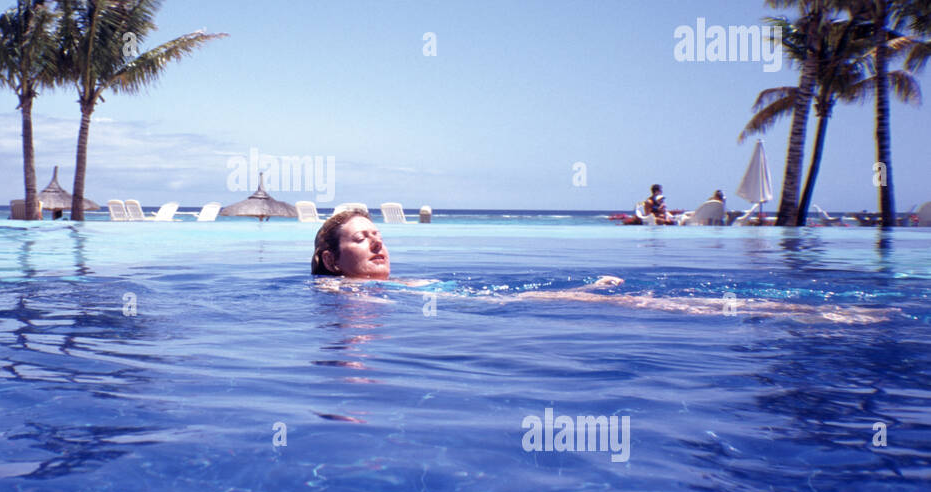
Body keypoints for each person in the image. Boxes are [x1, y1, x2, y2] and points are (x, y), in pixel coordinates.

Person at [310, 209, 892, 322]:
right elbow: (349, 332)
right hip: (501, 308)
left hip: (500, 301)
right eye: (363, 241)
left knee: (625, 300)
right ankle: (815, 316)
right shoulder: (345, 297)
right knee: (637, 303)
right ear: (335, 261)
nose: (379, 245)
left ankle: (808, 313)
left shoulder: (387, 286)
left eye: (379, 235)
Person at [311, 210, 390, 279]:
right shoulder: (333, 290)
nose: (378, 242)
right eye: (360, 238)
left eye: (380, 237)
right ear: (331, 260)